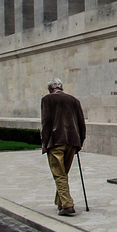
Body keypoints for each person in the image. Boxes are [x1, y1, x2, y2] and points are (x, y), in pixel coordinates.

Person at [40, 77, 86, 217]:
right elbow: (81, 123)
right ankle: (59, 202)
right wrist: (80, 142)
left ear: (51, 89)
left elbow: (46, 122)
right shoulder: (74, 100)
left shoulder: (47, 99)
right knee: (63, 174)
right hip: (72, 142)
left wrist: (44, 142)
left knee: (59, 175)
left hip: (56, 141)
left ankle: (67, 205)